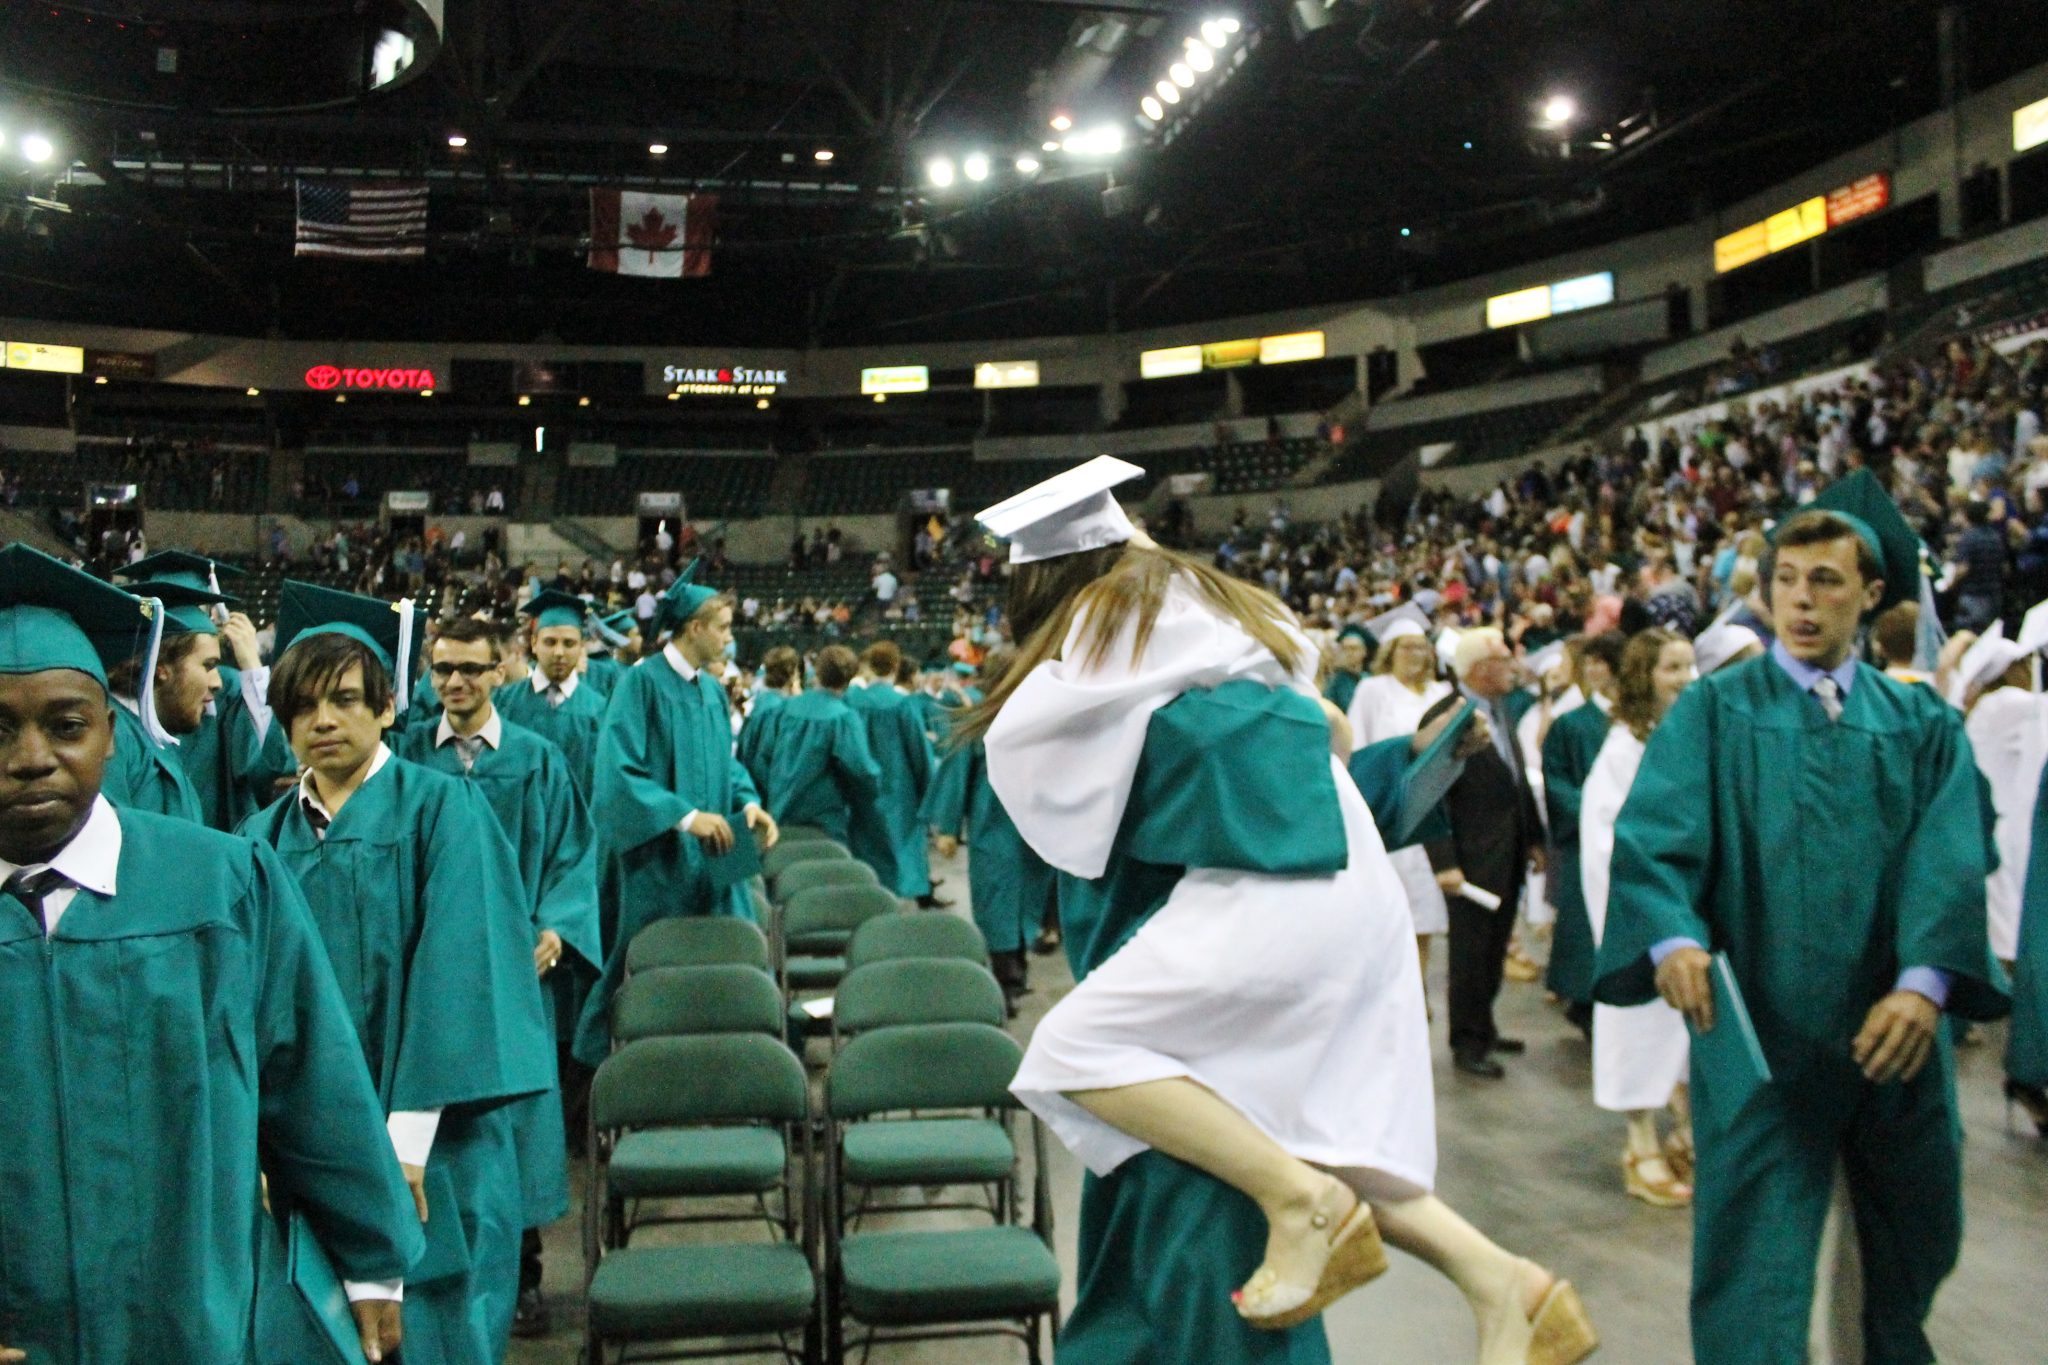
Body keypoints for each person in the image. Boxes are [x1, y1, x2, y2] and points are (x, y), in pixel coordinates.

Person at [966, 458, 1595, 1363]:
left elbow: (1280, 798)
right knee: (1316, 1148)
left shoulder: (1130, 713)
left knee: (1195, 1276)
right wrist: (1362, 752)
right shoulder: (1224, 684)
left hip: (1186, 1058)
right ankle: (1500, 1280)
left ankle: (1437, 1257)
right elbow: (1306, 781)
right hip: (1237, 997)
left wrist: (1356, 752)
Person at [1594, 474, 2008, 1365]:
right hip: (1763, 1038)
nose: (1801, 599)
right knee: (1753, 1266)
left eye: (1825, 580)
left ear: (1871, 594)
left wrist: (1925, 982)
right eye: (1786, 578)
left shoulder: (1922, 723)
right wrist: (1672, 939)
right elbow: (1653, 840)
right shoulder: (1712, 712)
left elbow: (1953, 857)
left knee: (1910, 1247)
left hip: (1894, 1036)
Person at [0, 545, 422, 1365]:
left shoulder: (221, 883)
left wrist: (373, 1259)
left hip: (197, 1317)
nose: (30, 756)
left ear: (114, 737)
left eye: (67, 724)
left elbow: (311, 1074)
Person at [241, 580, 554, 1365]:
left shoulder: (444, 811)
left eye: (345, 699)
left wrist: (401, 1146)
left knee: (436, 1337)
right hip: (302, 1159)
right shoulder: (253, 844)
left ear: (387, 707)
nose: (322, 720)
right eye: (302, 707)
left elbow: (463, 972)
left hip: (432, 1145)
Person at [394, 617, 602, 1340]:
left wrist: (558, 926)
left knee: (509, 1132)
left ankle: (525, 1278)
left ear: (501, 669)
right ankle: (427, 1280)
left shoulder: (538, 760)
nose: (456, 683)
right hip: (430, 984)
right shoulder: (406, 760)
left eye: (472, 670)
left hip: (517, 981)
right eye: (444, 668)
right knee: (436, 1132)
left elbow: (575, 856)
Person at [573, 563, 780, 1066]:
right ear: (695, 628)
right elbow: (617, 773)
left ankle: (732, 1070)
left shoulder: (710, 690)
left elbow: (725, 765)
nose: (730, 640)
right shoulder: (640, 684)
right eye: (725, 628)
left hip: (720, 850)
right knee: (652, 970)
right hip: (658, 857)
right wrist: (686, 817)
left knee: (736, 958)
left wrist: (749, 803)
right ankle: (628, 1079)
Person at [1579, 628, 1697, 1209]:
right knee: (1642, 1026)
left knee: (1690, 1027)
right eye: (1672, 667)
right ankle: (1639, 1141)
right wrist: (1643, 922)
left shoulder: (1686, 736)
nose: (1683, 677)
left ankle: (1687, 1128)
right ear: (1644, 676)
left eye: (1689, 666)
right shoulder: (1623, 749)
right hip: (1640, 916)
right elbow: (1606, 843)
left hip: (1687, 909)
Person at [1426, 628, 1545, 1079]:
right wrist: (1444, 862)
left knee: (1495, 947)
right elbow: (1429, 796)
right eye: (1502, 660)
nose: (1513, 667)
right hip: (1470, 857)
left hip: (1507, 850)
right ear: (1478, 669)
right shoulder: (1446, 716)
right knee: (1470, 952)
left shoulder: (1497, 710)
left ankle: (1486, 1026)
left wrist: (1532, 838)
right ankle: (1466, 1041)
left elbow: (1514, 779)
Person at [922, 646, 1059, 1012]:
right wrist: (947, 827)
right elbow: (958, 773)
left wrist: (948, 827)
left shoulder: (1038, 715)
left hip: (1016, 830)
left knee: (1016, 902)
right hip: (1006, 827)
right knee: (1002, 904)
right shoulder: (983, 717)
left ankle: (1015, 976)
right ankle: (1006, 983)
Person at [119, 551, 296, 831]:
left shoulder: (228, 691)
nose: (214, 681)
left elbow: (272, 766)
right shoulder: (118, 727)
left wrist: (252, 665)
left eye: (201, 608)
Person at [1346, 606, 1452, 992]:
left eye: (1422, 647)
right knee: (1388, 911)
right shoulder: (1373, 690)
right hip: (1389, 805)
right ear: (1390, 651)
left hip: (1432, 810)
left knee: (1425, 913)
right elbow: (1359, 746)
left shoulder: (1441, 693)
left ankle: (1419, 992)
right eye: (1407, 647)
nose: (1416, 655)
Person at [1539, 632, 1626, 1037]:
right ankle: (1583, 1001)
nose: (1593, 670)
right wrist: (1593, 816)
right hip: (1588, 839)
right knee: (1582, 919)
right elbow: (1556, 780)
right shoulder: (1571, 725)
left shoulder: (1633, 722)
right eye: (1588, 662)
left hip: (1630, 837)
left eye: (1602, 662)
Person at [740, 643, 881, 844]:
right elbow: (862, 771)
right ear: (849, 678)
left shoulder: (785, 708)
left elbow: (762, 757)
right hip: (823, 821)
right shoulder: (843, 718)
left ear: (818, 672)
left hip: (780, 813)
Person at [844, 640, 939, 904]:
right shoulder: (902, 704)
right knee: (901, 854)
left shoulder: (854, 701)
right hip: (900, 792)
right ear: (896, 666)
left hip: (862, 792)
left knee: (868, 853)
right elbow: (919, 753)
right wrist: (927, 792)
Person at [495, 590, 608, 798]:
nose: (559, 652)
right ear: (534, 643)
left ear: (581, 646)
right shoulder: (503, 701)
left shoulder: (599, 709)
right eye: (550, 642)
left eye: (569, 643)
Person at [1323, 625, 1369, 716]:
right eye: (1344, 649)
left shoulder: (1370, 679)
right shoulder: (1334, 681)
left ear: (1364, 652)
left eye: (1353, 648)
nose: (1349, 653)